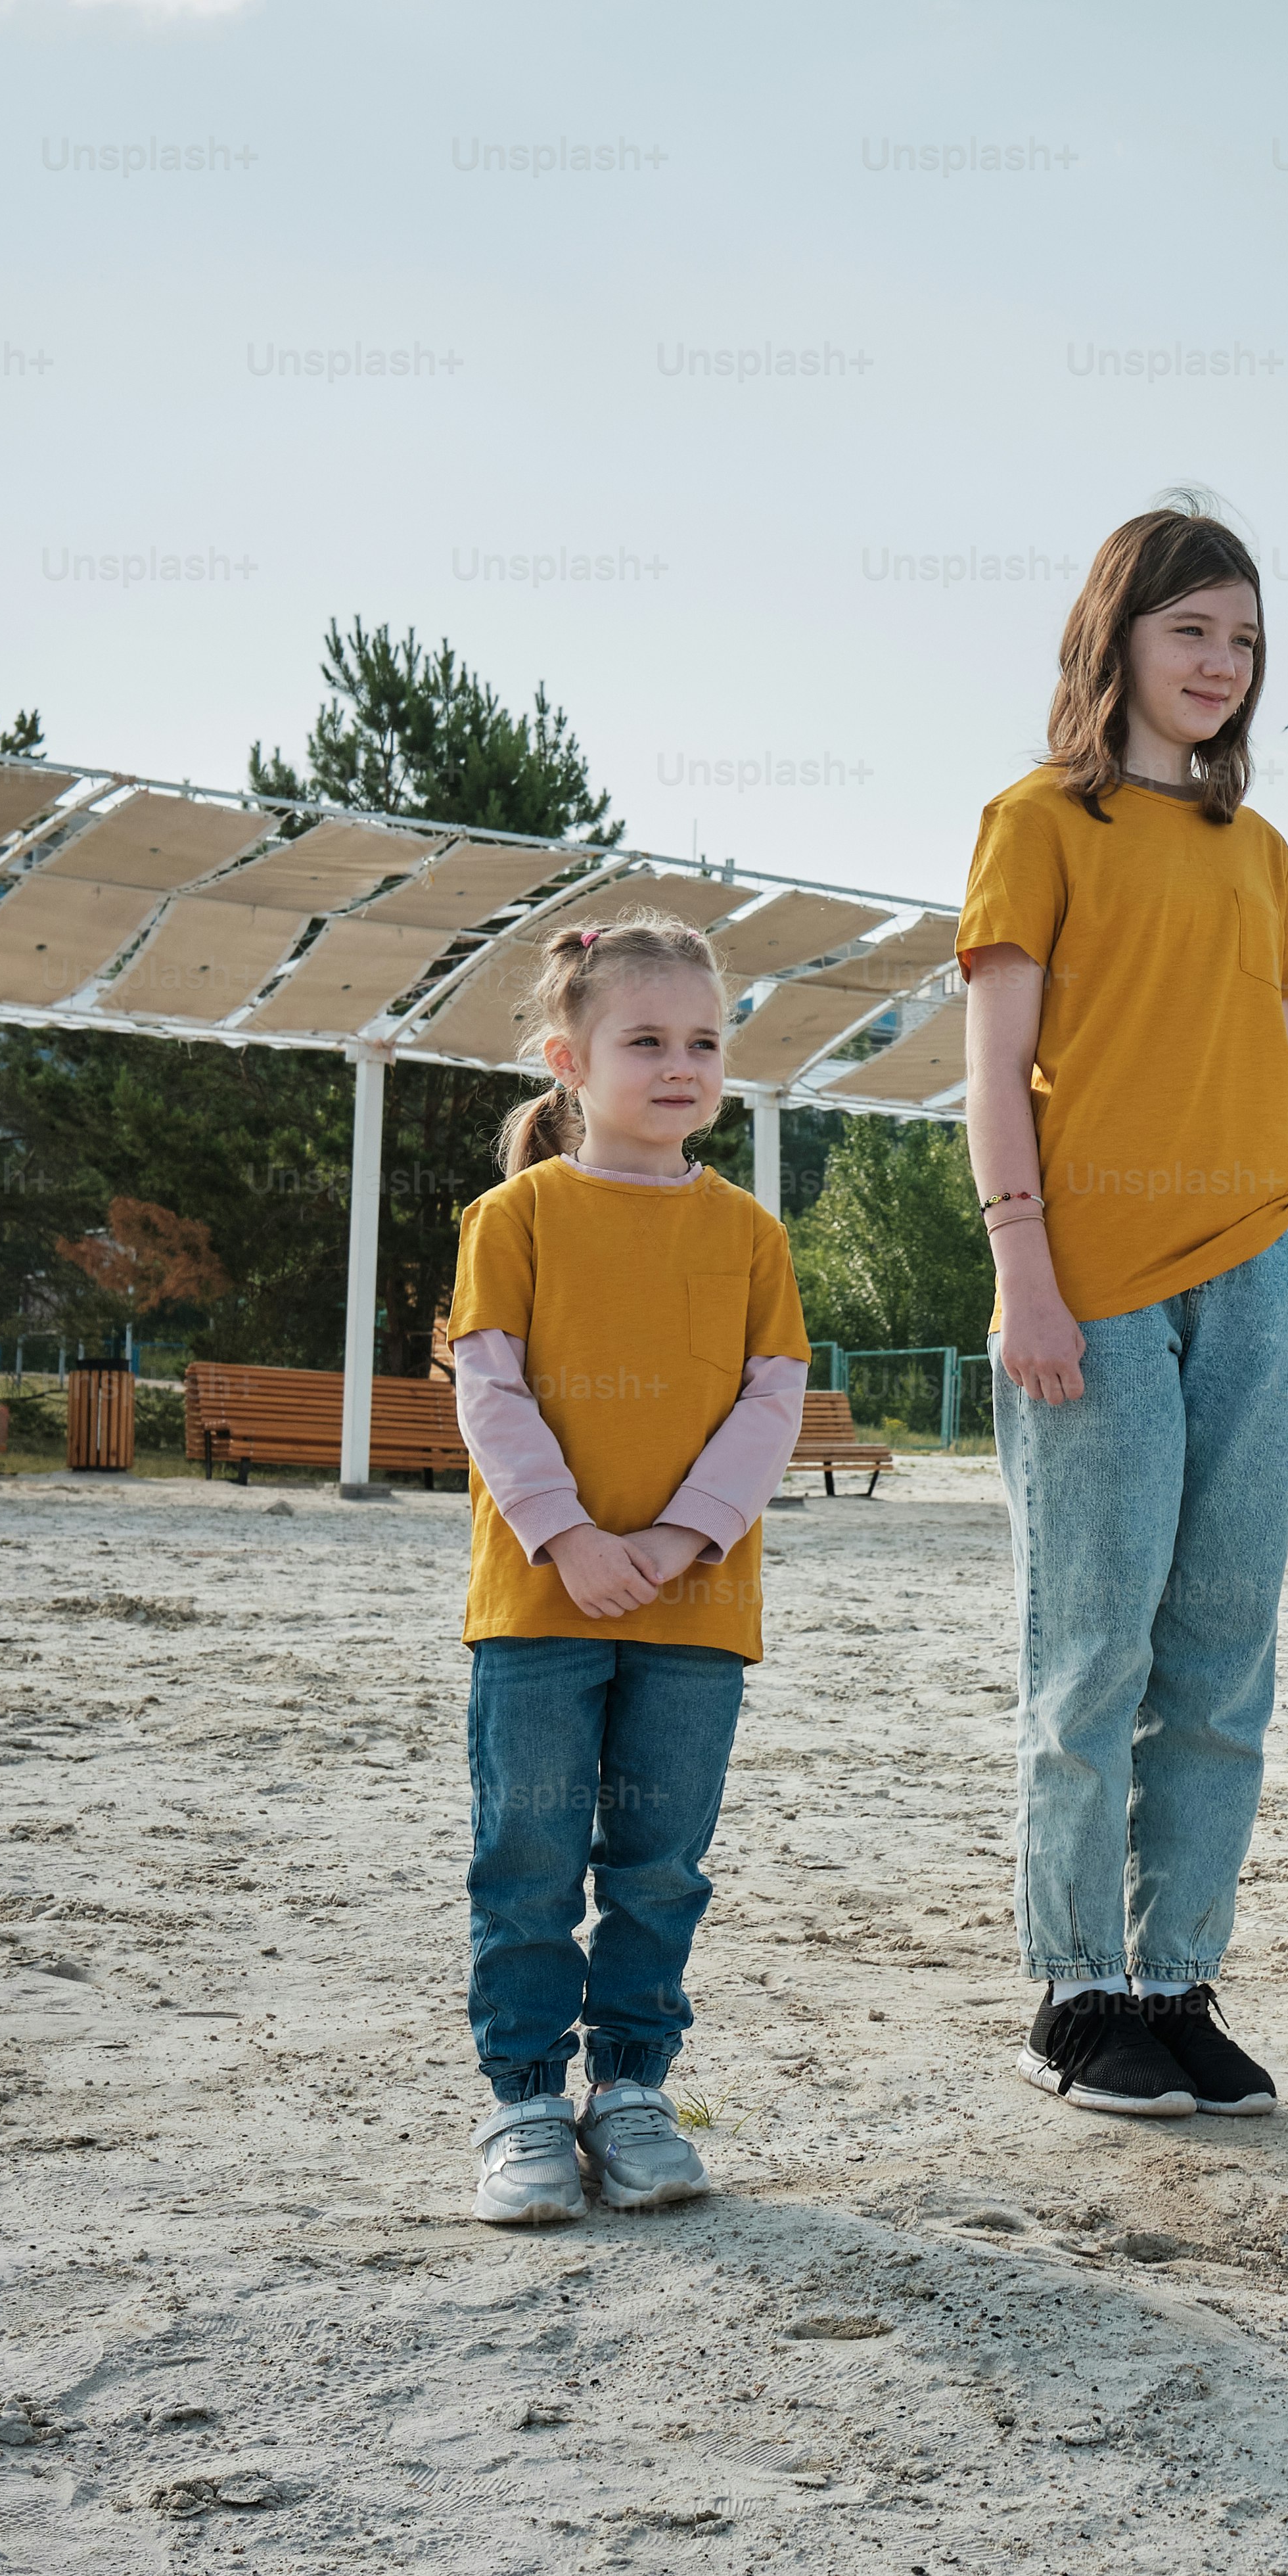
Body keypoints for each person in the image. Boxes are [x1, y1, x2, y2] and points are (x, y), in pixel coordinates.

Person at [965, 499, 1288, 2124]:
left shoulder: (1260, 854)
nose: (1220, 663)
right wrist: (1021, 1270)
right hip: (1095, 1285)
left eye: (1244, 639)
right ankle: (1075, 1986)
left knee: (1223, 1650)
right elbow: (994, 1072)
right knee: (1095, 1646)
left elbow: (1251, 1042)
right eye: (1192, 628)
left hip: (1262, 1259)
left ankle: (1178, 1975)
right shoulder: (1037, 822)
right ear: (1115, 635)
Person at [449, 917, 812, 2224]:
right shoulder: (514, 1218)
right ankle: (530, 2102)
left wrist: (673, 1539)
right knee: (530, 1853)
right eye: (646, 1039)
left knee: (661, 1862)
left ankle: (637, 2090)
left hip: (697, 1603)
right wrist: (572, 1537)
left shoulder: (751, 1234)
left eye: (704, 1041)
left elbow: (774, 1400)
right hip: (540, 1601)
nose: (681, 1064)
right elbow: (487, 1391)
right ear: (568, 1058)